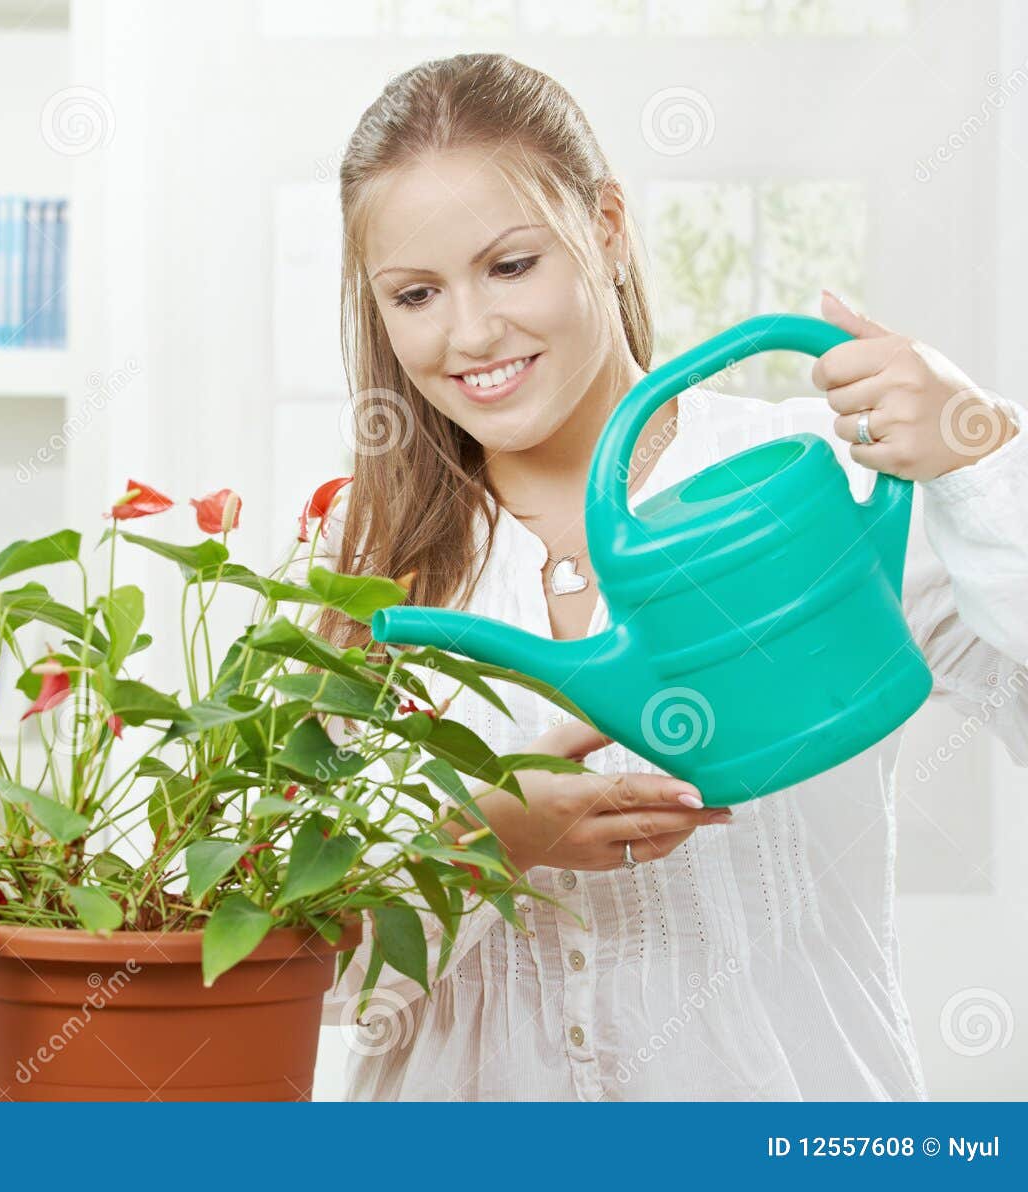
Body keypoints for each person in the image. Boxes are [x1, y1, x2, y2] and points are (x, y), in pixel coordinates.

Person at [310, 52, 1028, 1101]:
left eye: (511, 266)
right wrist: (481, 843)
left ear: (605, 227)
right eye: (416, 293)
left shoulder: (810, 481)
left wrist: (982, 452)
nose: (469, 333)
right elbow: (306, 977)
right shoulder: (363, 562)